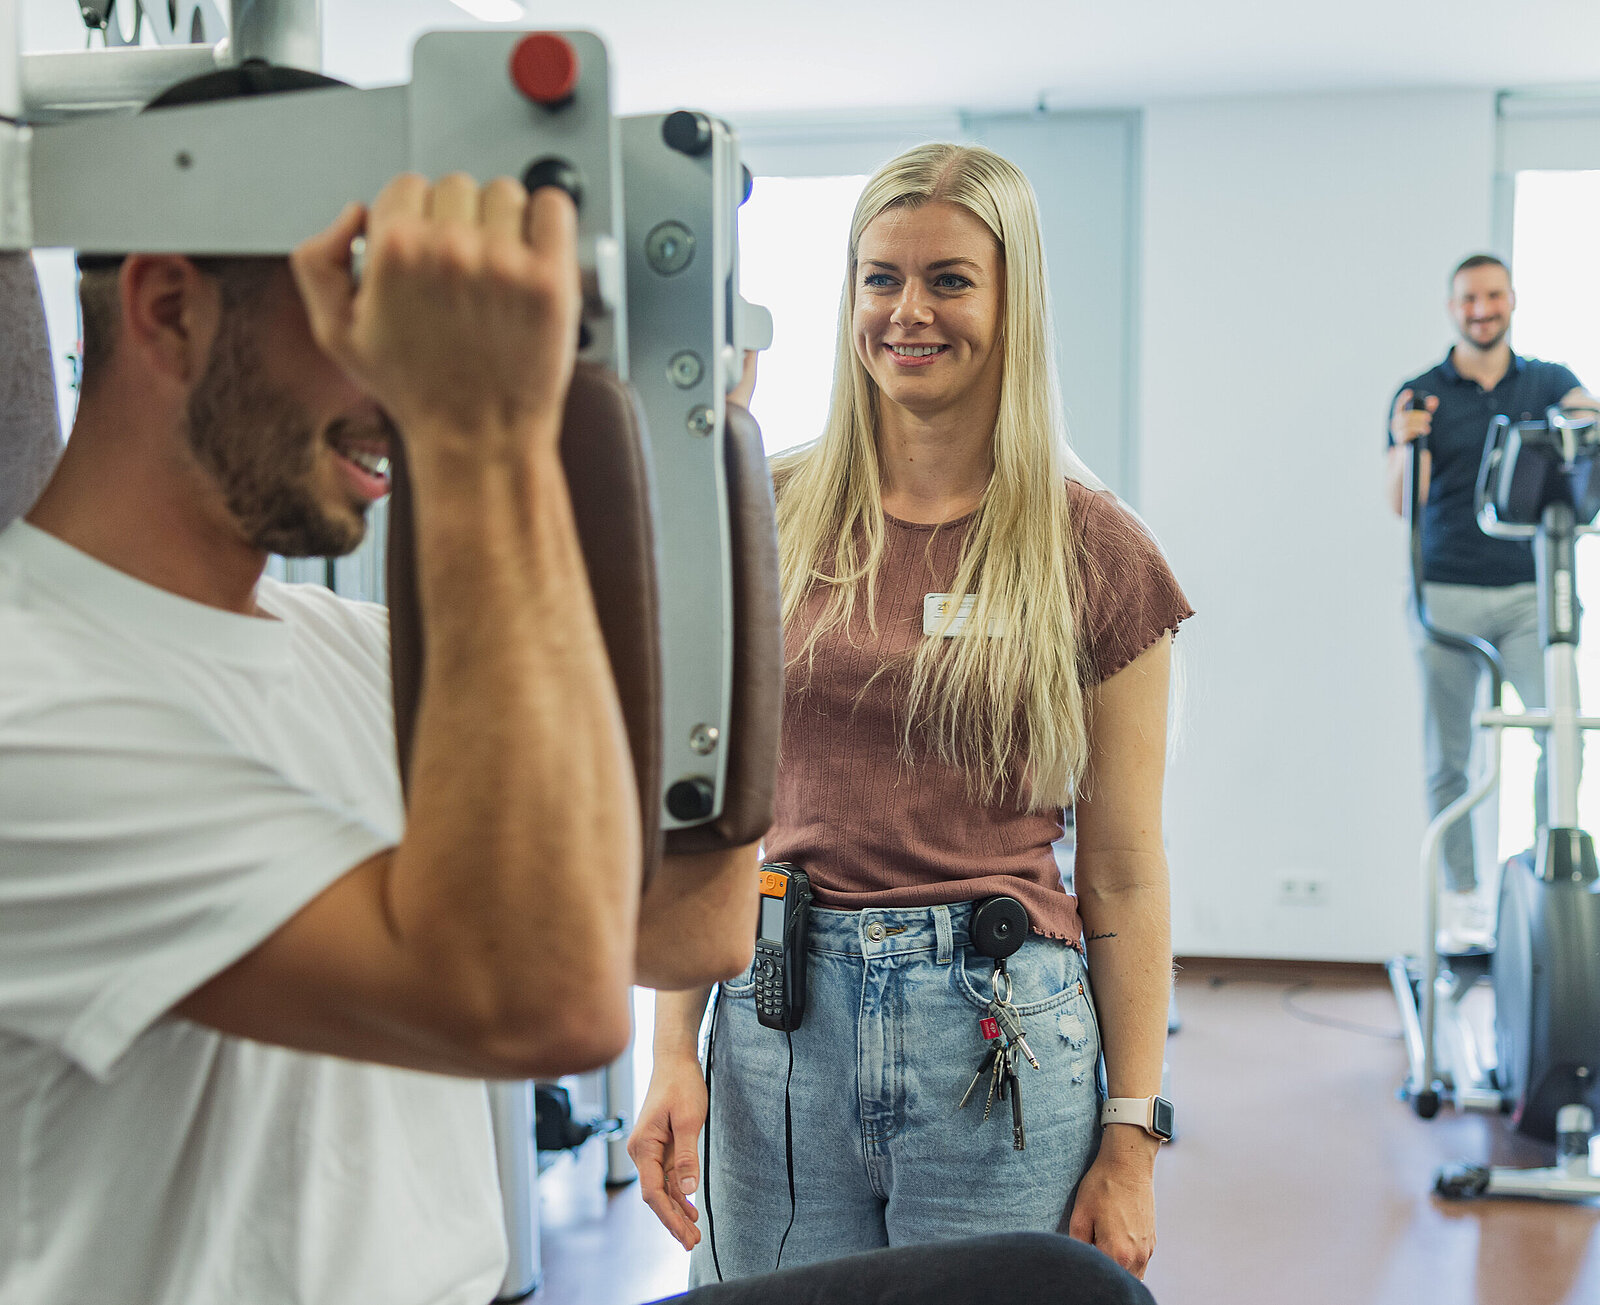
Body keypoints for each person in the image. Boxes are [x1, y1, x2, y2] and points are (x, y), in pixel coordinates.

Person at [0, 69, 1156, 1305]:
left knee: (1062, 1294)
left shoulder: (348, 654)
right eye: (365, 313)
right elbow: (531, 1002)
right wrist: (481, 432)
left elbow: (689, 920)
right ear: (170, 309)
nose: (400, 387)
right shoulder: (34, 707)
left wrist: (690, 432)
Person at [630, 142, 1190, 1285]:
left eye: (947, 279)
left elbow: (1123, 870)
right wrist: (669, 1051)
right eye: (879, 278)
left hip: (996, 1040)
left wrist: (1129, 1137)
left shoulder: (1095, 549)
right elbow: (708, 810)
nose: (907, 312)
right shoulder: (760, 510)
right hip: (775, 1030)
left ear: (1011, 298)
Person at [1386, 253, 1595, 949]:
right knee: (1451, 757)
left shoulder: (1550, 381)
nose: (1482, 308)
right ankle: (1466, 899)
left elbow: (1587, 437)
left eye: (1493, 296)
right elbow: (1399, 504)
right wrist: (1402, 443)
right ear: (1453, 307)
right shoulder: (1422, 393)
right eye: (1469, 298)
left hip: (1529, 595)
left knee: (1555, 734)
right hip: (1446, 595)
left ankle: (1544, 887)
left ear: (1511, 300)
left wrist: (1585, 422)